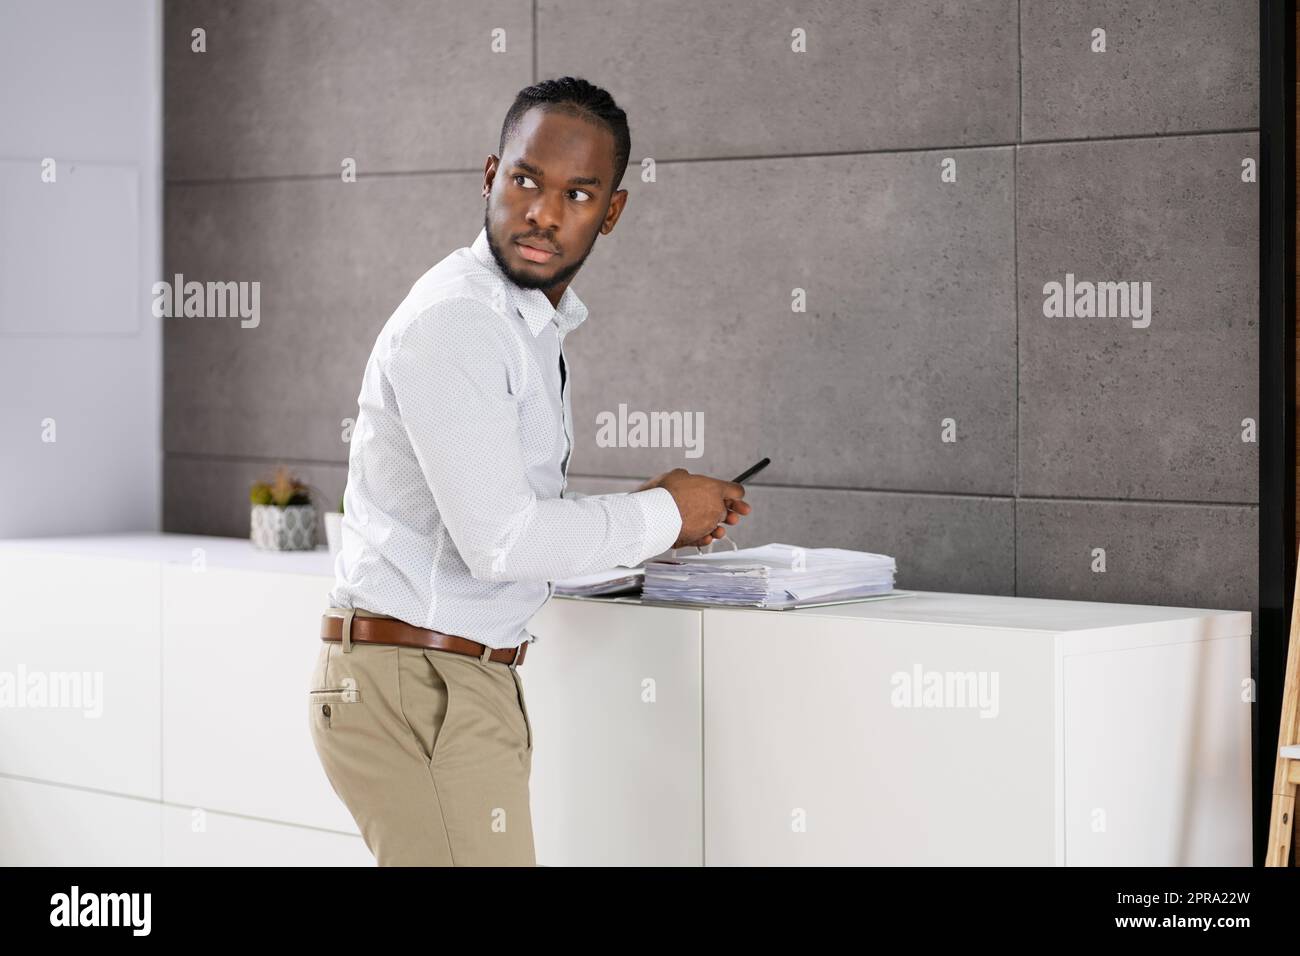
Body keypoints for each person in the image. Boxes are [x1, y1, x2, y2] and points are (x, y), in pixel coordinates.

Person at [308, 76, 752, 866]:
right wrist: (662, 517)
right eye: (525, 180)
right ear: (490, 176)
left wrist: (655, 515)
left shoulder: (524, 327)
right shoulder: (461, 320)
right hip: (421, 686)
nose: (544, 212)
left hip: (449, 680)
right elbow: (502, 541)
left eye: (578, 193)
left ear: (611, 212)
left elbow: (507, 514)